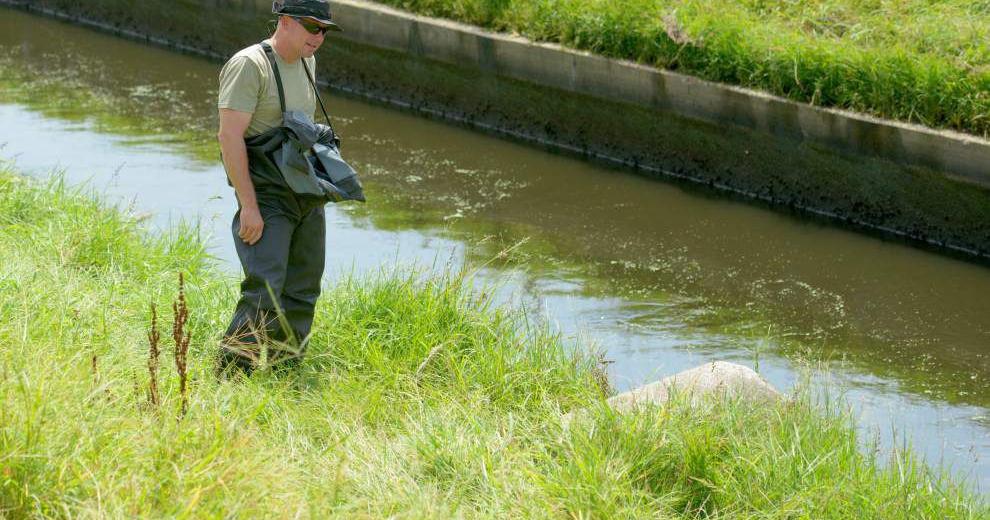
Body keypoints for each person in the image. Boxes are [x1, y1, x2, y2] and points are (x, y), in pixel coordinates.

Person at [215, 0, 342, 375]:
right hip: (266, 194)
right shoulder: (249, 65)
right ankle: (230, 379)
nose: (318, 36)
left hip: (303, 190)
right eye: (311, 26)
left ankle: (287, 373)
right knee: (265, 293)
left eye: (324, 30)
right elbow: (229, 137)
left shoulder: (308, 60)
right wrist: (249, 206)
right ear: (285, 21)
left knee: (303, 289)